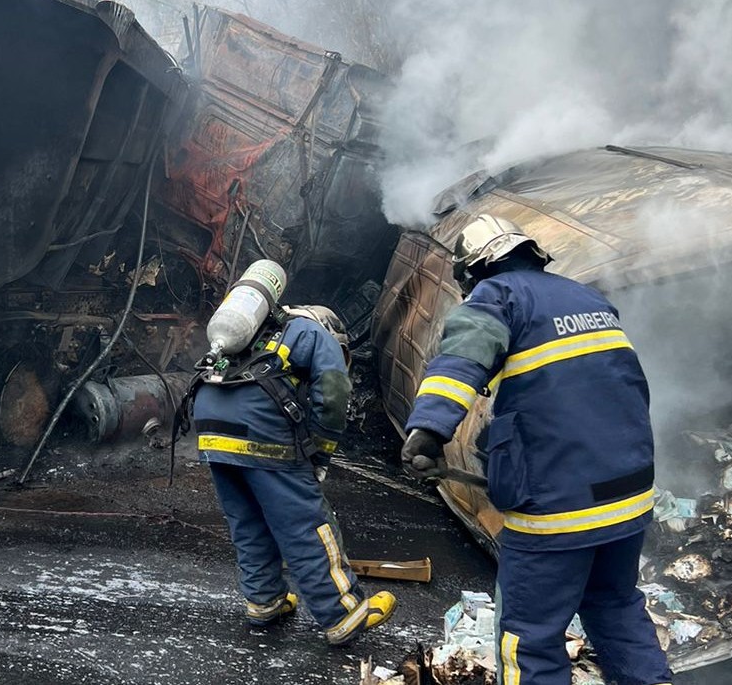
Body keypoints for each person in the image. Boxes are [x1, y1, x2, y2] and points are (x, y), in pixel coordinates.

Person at [401, 214, 673, 685]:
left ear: (474, 270)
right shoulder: (588, 297)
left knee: (528, 637)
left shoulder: (497, 297)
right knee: (615, 603)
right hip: (629, 494)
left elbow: (460, 361)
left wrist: (428, 429)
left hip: (559, 506)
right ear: (532, 255)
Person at [188, 302, 397, 645]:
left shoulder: (256, 333)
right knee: (305, 523)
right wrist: (321, 453)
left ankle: (264, 601)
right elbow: (333, 393)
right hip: (260, 429)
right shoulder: (314, 333)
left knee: (248, 520)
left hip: (212, 429)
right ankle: (343, 613)